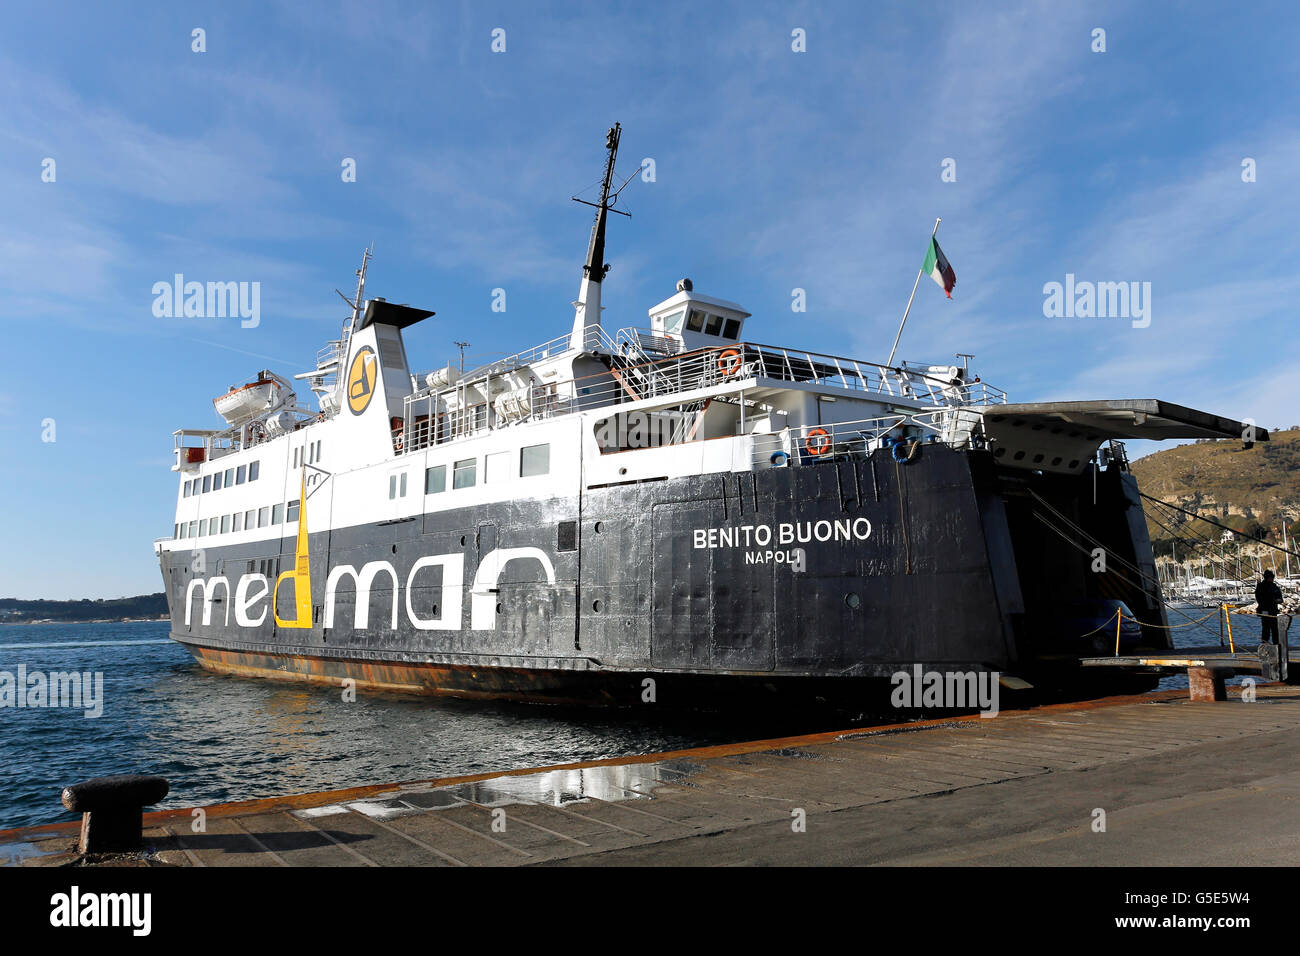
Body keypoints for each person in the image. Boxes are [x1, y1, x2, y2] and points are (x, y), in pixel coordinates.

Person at [1255, 570, 1284, 645]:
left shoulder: (1273, 587)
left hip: (1271, 611)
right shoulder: (1262, 586)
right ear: (1269, 578)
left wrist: (1275, 600)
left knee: (1270, 629)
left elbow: (1280, 599)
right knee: (1268, 629)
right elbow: (1259, 598)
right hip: (1267, 610)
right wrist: (1272, 601)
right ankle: (1271, 644)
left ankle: (1271, 644)